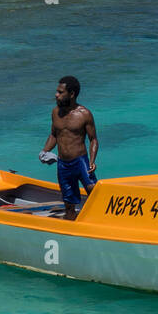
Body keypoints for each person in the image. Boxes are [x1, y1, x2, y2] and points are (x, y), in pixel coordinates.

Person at [40, 75, 99, 220]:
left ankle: (102, 220)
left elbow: (93, 140)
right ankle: (72, 231)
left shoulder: (84, 114)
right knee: (69, 204)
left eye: (60, 92)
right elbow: (54, 135)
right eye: (57, 91)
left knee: (95, 192)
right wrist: (44, 151)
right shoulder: (55, 112)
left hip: (80, 162)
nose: (56, 95)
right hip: (63, 165)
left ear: (71, 94)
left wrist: (92, 161)